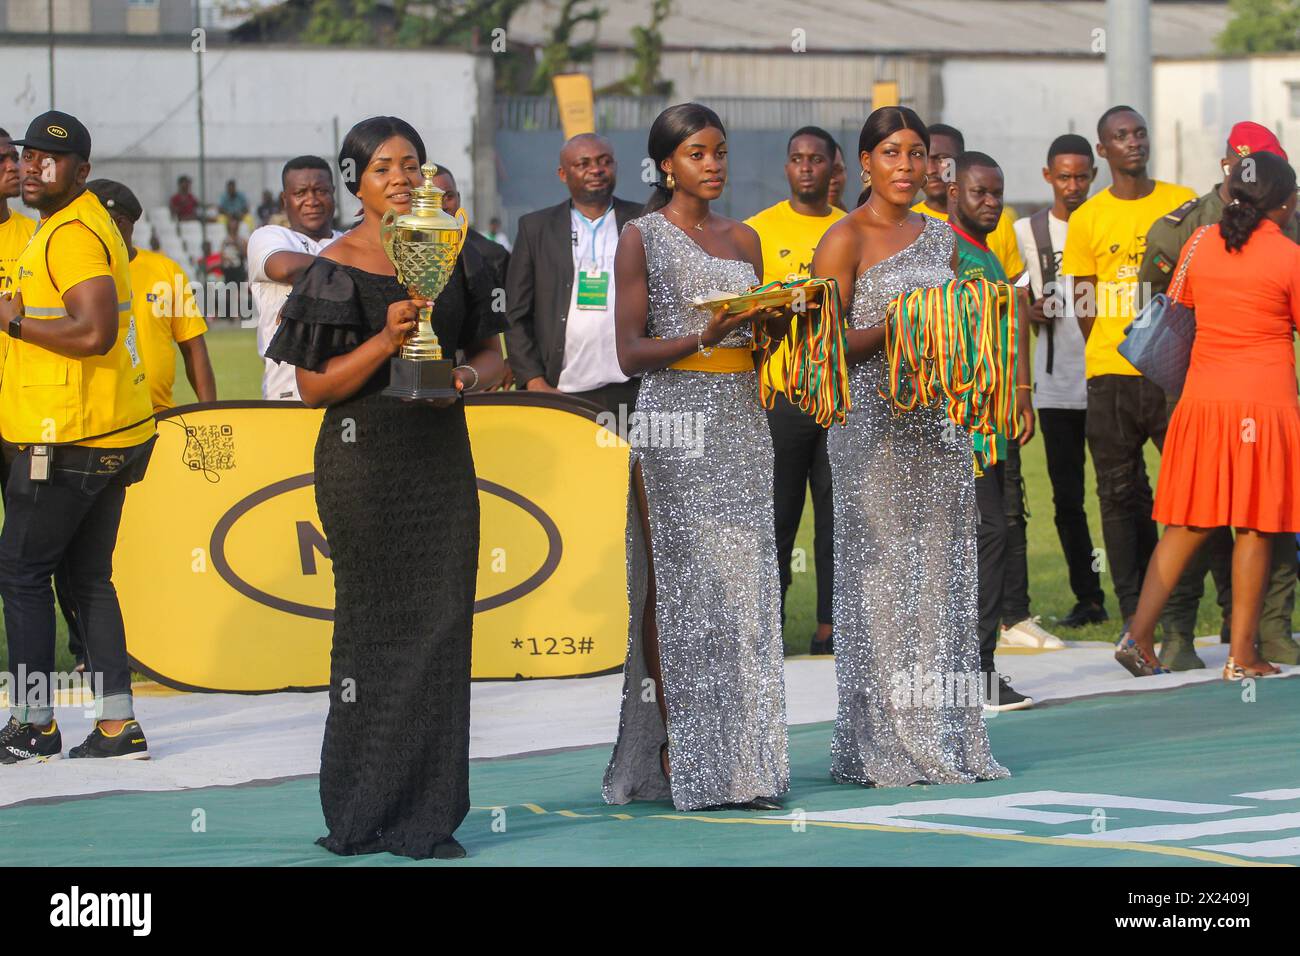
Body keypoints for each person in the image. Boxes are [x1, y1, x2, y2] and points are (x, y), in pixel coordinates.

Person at [265, 117, 506, 859]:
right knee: (370, 637)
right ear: (356, 183)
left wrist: (459, 379)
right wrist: (386, 339)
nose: (401, 178)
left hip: (440, 462)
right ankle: (360, 812)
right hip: (364, 466)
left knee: (441, 632)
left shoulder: (464, 254)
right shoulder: (332, 267)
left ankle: (427, 817)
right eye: (382, 169)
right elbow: (313, 389)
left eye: (412, 165)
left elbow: (497, 355)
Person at [812, 106, 1007, 785]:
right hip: (873, 432)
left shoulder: (940, 239)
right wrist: (903, 323)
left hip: (940, 427)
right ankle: (884, 743)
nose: (905, 165)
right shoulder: (844, 239)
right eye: (891, 152)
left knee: (945, 582)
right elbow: (823, 351)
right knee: (885, 583)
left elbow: (959, 333)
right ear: (863, 163)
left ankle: (945, 735)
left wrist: (970, 349)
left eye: (916, 153)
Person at [604, 102, 789, 812]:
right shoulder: (641, 236)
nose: (712, 165)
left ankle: (746, 758)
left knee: (745, 587)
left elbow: (758, 345)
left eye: (719, 152)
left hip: (743, 421)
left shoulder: (745, 240)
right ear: (666, 164)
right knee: (680, 588)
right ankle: (680, 747)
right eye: (696, 154)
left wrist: (778, 328)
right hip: (675, 423)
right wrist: (707, 334)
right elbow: (630, 350)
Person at [0, 111, 157, 763]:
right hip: (111, 429)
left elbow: (92, 334)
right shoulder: (78, 222)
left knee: (21, 572)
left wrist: (11, 325)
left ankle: (35, 724)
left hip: (69, 437)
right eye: (28, 156)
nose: (34, 167)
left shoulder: (68, 233)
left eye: (50, 159)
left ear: (82, 171)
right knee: (88, 577)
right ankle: (117, 725)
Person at [1117, 151, 1300, 680]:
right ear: (1283, 204)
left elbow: (1178, 307)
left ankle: (1139, 634)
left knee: (1188, 524)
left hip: (1202, 401)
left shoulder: (1198, 242)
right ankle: (1242, 656)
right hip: (1264, 404)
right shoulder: (1288, 256)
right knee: (1256, 528)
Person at [1062, 105, 1197, 644]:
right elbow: (1083, 302)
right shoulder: (1088, 218)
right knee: (1118, 496)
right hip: (1111, 374)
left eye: (1139, 132)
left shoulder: (1182, 203)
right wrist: (1122, 344)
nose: (1133, 142)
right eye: (1121, 136)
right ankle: (1133, 613)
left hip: (1174, 374)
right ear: (1104, 150)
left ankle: (1190, 612)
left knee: (1191, 493)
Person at [947, 151, 1043, 710]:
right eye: (980, 192)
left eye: (997, 194)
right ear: (955, 192)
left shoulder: (989, 253)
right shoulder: (947, 251)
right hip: (962, 422)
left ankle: (975, 669)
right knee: (987, 537)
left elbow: (1014, 322)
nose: (990, 203)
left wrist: (1020, 394)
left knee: (994, 535)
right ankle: (975, 676)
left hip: (996, 419)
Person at [744, 125, 845, 654]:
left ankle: (831, 625)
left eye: (816, 159)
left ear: (834, 167)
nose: (806, 167)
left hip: (836, 393)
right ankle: (768, 625)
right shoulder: (757, 231)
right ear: (787, 167)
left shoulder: (852, 228)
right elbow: (744, 311)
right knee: (777, 513)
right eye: (796, 159)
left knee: (837, 514)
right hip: (780, 393)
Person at [1013, 134, 1108, 632]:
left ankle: (1136, 593)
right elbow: (1013, 303)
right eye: (1064, 176)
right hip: (1054, 385)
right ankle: (1089, 597)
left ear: (1094, 174)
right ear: (1048, 176)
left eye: (1082, 176)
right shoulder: (1026, 231)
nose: (1073, 185)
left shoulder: (1104, 220)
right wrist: (1029, 311)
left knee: (1122, 490)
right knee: (1068, 497)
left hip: (1109, 377)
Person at [504, 133, 642, 416]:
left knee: (631, 461)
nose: (597, 170)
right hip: (562, 388)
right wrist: (533, 380)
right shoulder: (535, 229)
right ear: (563, 173)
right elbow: (516, 314)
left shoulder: (643, 221)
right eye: (584, 163)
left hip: (634, 385)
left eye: (605, 161)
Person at [247, 156, 342, 401]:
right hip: (288, 395)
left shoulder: (347, 239)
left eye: (320, 191)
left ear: (333, 194)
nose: (311, 200)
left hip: (345, 391)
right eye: (301, 192)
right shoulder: (269, 237)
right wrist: (355, 269)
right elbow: (286, 268)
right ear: (284, 200)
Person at [429, 164, 514, 391]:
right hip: (433, 378)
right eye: (433, 198)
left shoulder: (490, 254)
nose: (443, 205)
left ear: (458, 198)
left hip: (483, 377)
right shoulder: (406, 255)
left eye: (448, 196)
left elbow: (514, 310)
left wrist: (511, 360)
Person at [912, 123, 1025, 279]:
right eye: (925, 158)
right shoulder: (911, 224)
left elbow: (1012, 285)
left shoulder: (999, 222)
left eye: (943, 159)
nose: (931, 169)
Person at [829, 142, 848, 212]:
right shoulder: (793, 221)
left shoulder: (852, 220)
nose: (832, 181)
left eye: (838, 170)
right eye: (826, 172)